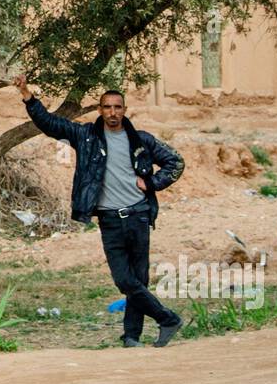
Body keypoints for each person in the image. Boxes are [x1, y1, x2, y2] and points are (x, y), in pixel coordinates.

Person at [13, 75, 186, 347]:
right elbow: (50, 124)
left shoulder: (141, 141)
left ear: (125, 110)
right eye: (107, 107)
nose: (113, 112)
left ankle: (132, 337)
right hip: (109, 219)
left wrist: (152, 182)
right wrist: (26, 95)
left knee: (138, 280)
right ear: (100, 110)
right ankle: (167, 318)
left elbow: (175, 162)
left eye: (118, 107)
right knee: (124, 281)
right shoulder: (85, 137)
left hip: (139, 215)